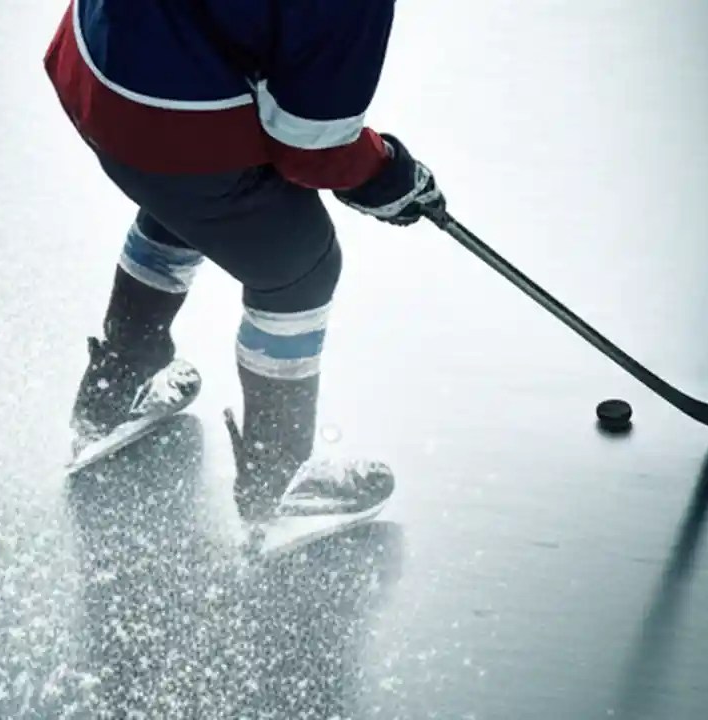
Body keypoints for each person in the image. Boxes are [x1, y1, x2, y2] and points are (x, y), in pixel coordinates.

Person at [43, 0, 446, 528]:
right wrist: (388, 177)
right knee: (300, 260)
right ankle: (278, 481)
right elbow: (312, 148)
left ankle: (114, 388)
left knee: (192, 197)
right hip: (164, 113)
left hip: (92, 62)